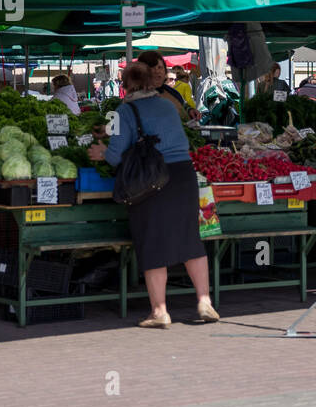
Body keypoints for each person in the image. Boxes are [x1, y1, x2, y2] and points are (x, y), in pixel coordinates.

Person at [88, 62, 218, 327]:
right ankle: (204, 301)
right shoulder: (167, 106)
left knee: (152, 240)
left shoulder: (125, 110)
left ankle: (159, 311)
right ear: (152, 81)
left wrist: (101, 151)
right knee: (190, 237)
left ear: (125, 85)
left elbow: (115, 157)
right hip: (183, 175)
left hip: (151, 179)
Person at [137, 50, 197, 120]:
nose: (157, 71)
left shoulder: (173, 93)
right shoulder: (136, 96)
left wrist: (190, 110)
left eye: (160, 67)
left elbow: (184, 105)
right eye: (152, 68)